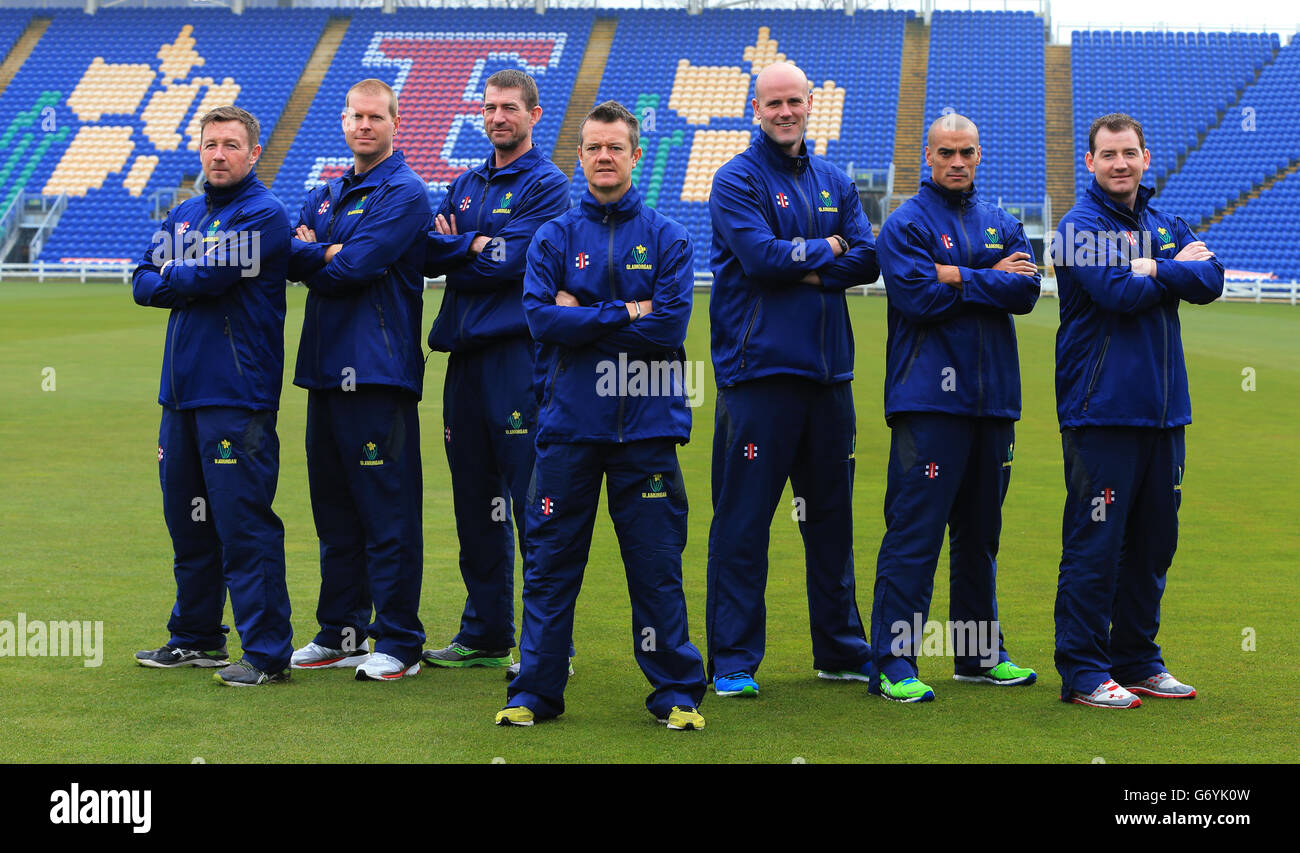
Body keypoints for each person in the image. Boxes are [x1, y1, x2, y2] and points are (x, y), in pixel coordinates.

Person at [495, 101, 706, 730]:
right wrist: (627, 313)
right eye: (593, 147)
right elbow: (541, 319)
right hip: (568, 432)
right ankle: (534, 693)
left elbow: (669, 324)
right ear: (580, 157)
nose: (605, 156)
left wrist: (586, 315)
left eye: (616, 146)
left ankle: (675, 693)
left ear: (635, 156)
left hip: (647, 432)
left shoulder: (668, 236)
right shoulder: (553, 237)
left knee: (656, 570)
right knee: (551, 570)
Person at [705, 61, 877, 697]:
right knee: (743, 523)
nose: (784, 112)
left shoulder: (835, 179)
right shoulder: (736, 179)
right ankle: (732, 660)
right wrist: (827, 250)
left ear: (811, 105)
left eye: (794, 102)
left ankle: (838, 649)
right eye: (772, 103)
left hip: (830, 377)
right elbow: (759, 258)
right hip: (759, 376)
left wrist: (810, 259)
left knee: (831, 520)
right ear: (756, 108)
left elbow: (867, 258)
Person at [869, 113, 1042, 704]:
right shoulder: (905, 224)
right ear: (927, 155)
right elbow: (917, 298)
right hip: (928, 403)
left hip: (994, 404)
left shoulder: (1001, 222)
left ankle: (978, 656)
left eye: (967, 151)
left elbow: (1026, 291)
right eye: (946, 152)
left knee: (980, 535)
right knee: (915, 533)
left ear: (978, 153)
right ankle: (893, 661)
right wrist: (983, 277)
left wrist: (956, 277)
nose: (958, 161)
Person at [1052, 113, 1222, 708]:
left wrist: (1153, 266)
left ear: (1146, 158)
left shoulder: (1159, 221)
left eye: (1130, 153)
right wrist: (1171, 269)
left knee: (1154, 543)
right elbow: (1116, 294)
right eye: (1109, 154)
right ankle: (1082, 671)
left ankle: (1138, 659)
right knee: (1096, 543)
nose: (1120, 163)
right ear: (1091, 162)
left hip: (1163, 412)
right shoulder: (1077, 227)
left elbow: (1213, 279)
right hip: (1101, 412)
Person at [131, 105, 294, 687]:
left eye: (230, 144)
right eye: (209, 144)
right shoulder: (185, 210)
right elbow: (139, 280)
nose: (218, 154)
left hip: (236, 395)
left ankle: (268, 654)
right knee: (188, 523)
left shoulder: (265, 214)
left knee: (243, 525)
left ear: (253, 153)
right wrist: (183, 269)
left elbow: (204, 278)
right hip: (179, 396)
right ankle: (196, 638)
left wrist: (178, 269)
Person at [421, 69, 570, 676]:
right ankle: (484, 633)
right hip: (463, 360)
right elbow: (426, 249)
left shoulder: (548, 185)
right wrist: (474, 248)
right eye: (489, 108)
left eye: (510, 107)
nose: (497, 117)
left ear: (534, 115)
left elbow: (515, 259)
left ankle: (544, 644)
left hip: (518, 359)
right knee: (473, 501)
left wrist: (470, 248)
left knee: (531, 500)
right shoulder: (464, 182)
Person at [287, 78, 431, 681]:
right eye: (356, 117)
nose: (365, 126)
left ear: (395, 123)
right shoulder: (324, 194)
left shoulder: (406, 193)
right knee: (335, 510)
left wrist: (322, 253)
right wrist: (323, 254)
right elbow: (288, 258)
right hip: (324, 373)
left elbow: (350, 268)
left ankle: (399, 640)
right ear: (343, 122)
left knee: (387, 513)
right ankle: (341, 631)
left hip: (377, 374)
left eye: (377, 117)